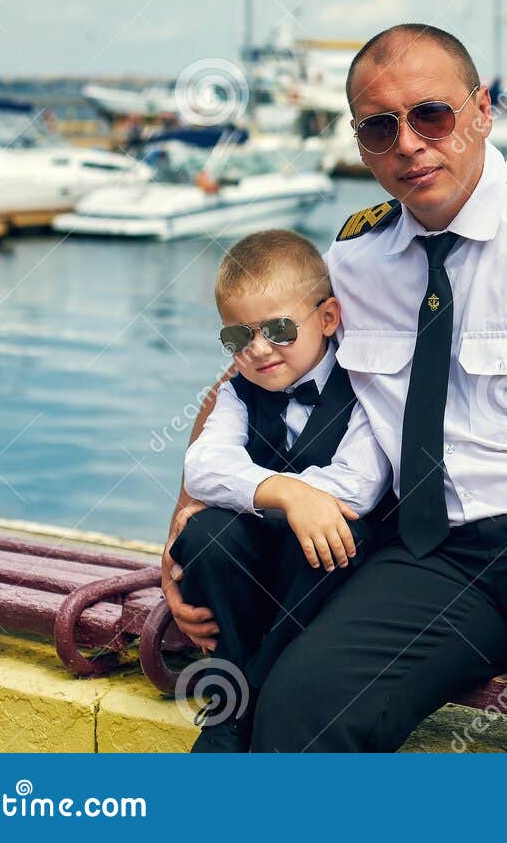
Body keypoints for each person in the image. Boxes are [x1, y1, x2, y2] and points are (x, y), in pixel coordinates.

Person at [164, 21, 507, 752]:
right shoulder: (357, 257)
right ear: (359, 141)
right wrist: (182, 521)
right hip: (438, 554)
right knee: (303, 706)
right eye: (379, 127)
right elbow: (258, 362)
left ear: (482, 111)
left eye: (431, 114)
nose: (407, 143)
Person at [169, 229, 391, 752]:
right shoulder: (237, 393)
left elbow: (356, 487)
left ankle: (239, 704)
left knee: (336, 535)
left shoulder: (366, 386)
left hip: (330, 567)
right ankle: (240, 690)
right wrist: (285, 494)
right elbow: (203, 464)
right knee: (205, 536)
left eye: (279, 329)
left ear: (328, 319)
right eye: (237, 338)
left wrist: (265, 494)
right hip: (261, 557)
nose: (259, 350)